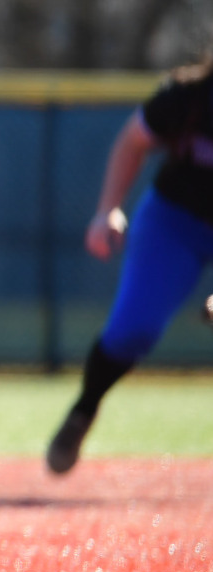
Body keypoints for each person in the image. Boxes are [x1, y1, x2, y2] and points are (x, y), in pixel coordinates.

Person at [47, 54, 213, 475]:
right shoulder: (190, 96)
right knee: (132, 329)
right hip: (177, 220)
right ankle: (84, 410)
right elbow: (132, 141)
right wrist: (107, 211)